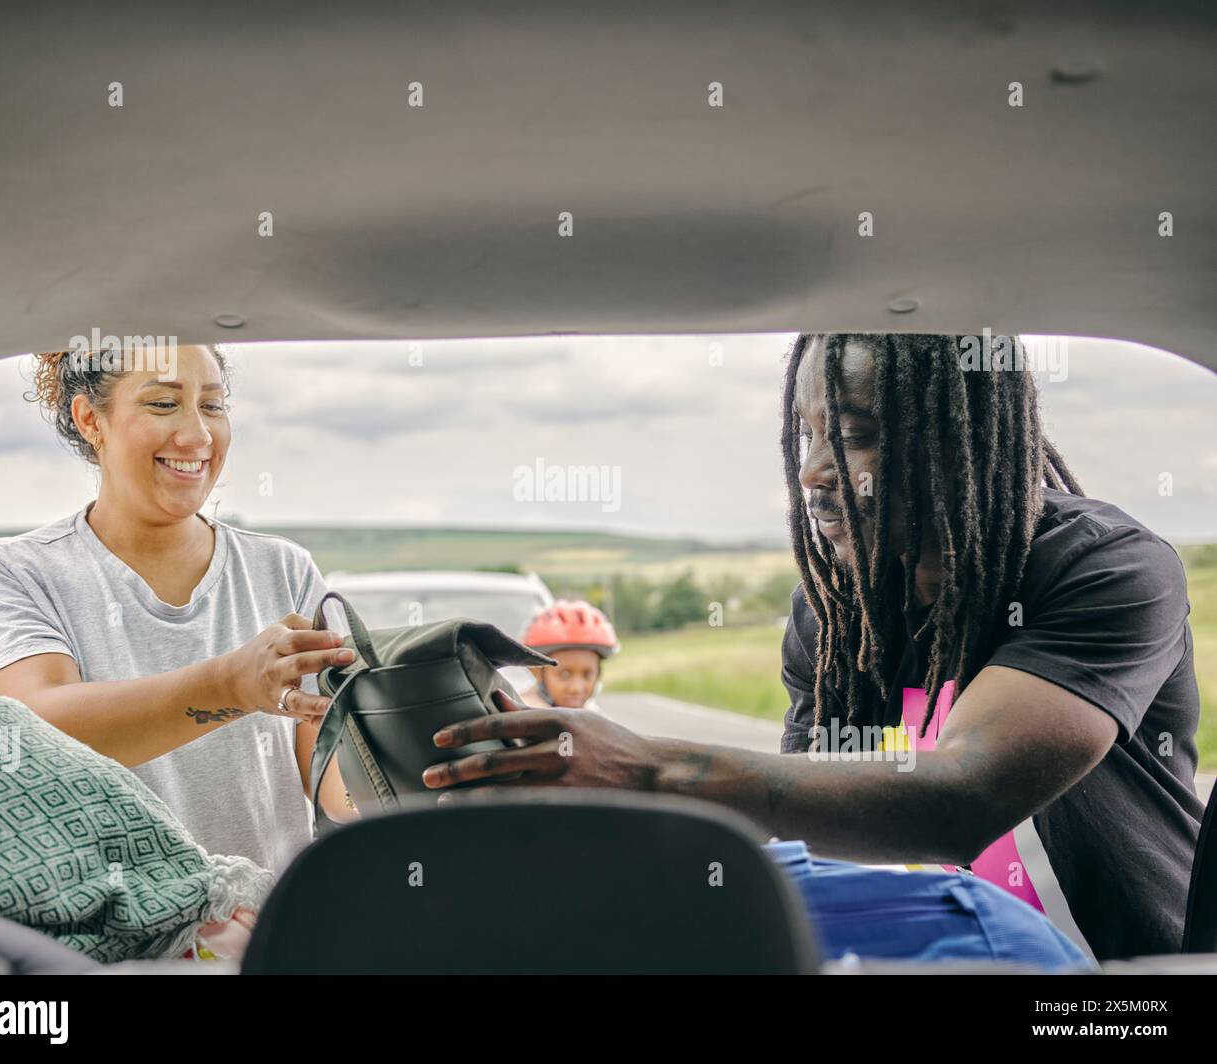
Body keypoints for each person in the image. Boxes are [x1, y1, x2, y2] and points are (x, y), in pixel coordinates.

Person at [421, 333, 1205, 962]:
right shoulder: (835, 613)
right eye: (810, 434)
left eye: (857, 435)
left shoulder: (1105, 566)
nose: (813, 471)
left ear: (961, 440)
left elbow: (966, 794)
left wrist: (646, 766)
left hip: (1122, 988)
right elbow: (799, 821)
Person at [0, 344, 357, 875]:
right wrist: (229, 685)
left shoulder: (283, 568)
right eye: (164, 404)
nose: (198, 436)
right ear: (91, 418)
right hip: (99, 946)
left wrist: (439, 766)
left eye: (213, 405)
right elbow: (33, 733)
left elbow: (335, 782)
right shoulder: (7, 573)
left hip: (261, 938)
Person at [517, 600, 620, 709]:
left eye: (587, 675)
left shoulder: (593, 716)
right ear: (536, 671)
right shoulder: (521, 717)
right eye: (564, 674)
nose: (576, 688)